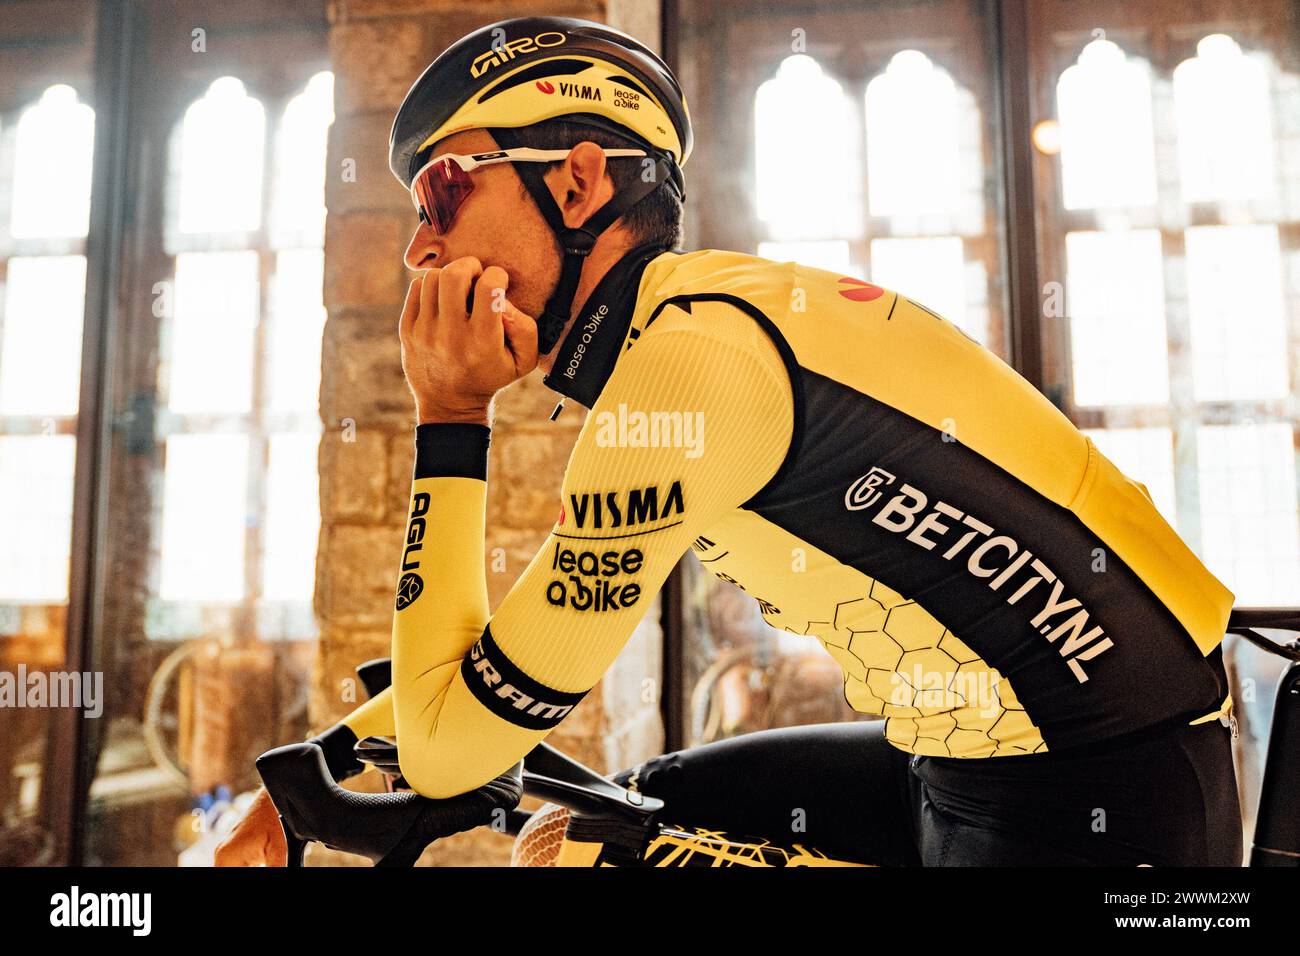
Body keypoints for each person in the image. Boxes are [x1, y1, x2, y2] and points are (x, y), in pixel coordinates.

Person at [217, 15, 1242, 867]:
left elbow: (449, 748)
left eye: (446, 190)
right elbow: (491, 674)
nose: (416, 245)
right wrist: (323, 766)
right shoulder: (690, 321)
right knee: (626, 805)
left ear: (575, 185)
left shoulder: (692, 365)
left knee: (584, 851)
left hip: (1100, 807)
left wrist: (449, 413)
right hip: (960, 760)